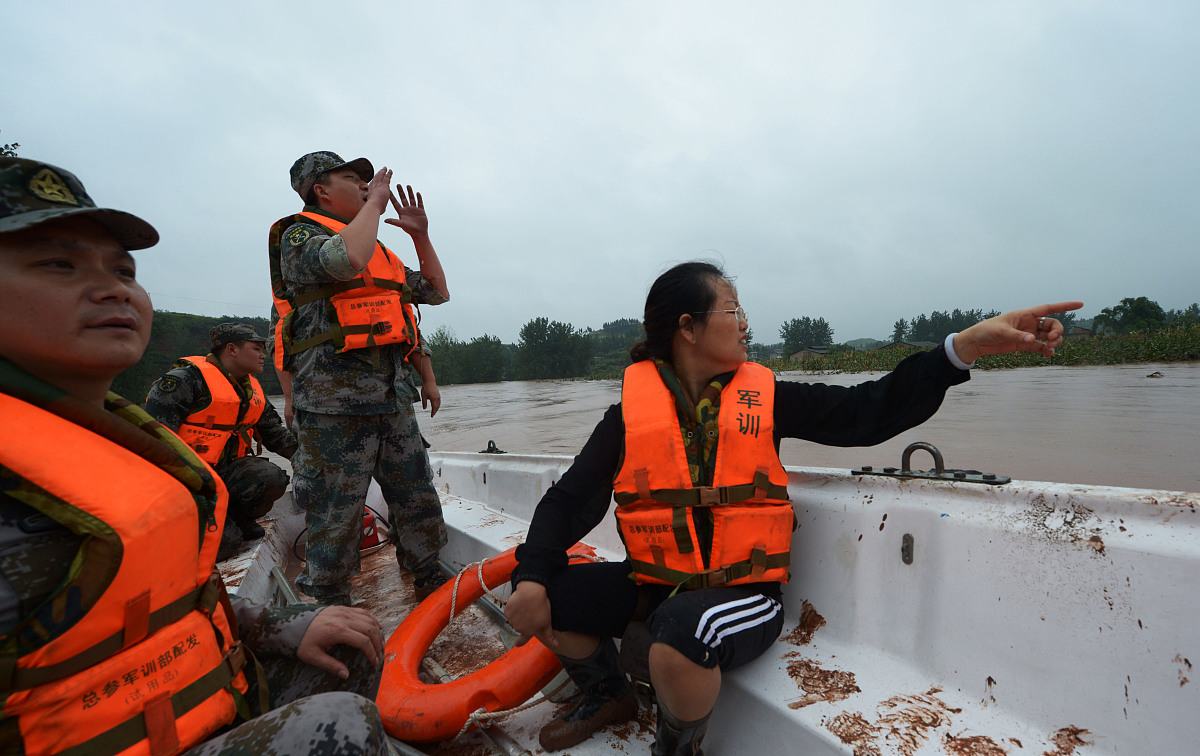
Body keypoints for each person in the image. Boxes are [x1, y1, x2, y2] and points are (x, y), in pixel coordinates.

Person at [504, 261, 1081, 755]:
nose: (746, 323)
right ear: (689, 328)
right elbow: (568, 500)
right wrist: (531, 576)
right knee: (545, 599)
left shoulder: (768, 398)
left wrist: (964, 349)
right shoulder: (628, 418)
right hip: (656, 581)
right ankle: (610, 694)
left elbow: (868, 411)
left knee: (680, 635)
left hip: (743, 594)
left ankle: (677, 746)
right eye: (733, 310)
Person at [0, 157, 388, 755]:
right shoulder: (178, 387)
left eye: (124, 269)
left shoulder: (111, 434)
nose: (115, 288)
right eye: (58, 264)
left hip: (192, 688)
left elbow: (175, 598)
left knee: (346, 649)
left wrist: (283, 622)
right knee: (343, 726)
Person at [268, 151, 450, 606]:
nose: (368, 187)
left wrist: (421, 237)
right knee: (336, 509)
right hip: (333, 405)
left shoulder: (381, 252)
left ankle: (428, 572)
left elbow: (437, 292)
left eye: (369, 182)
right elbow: (344, 258)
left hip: (391, 397)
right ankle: (330, 602)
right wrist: (375, 206)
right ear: (320, 191)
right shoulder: (300, 235)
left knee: (415, 491)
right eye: (354, 178)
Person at [144, 322, 297, 553]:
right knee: (224, 545)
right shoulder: (185, 381)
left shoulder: (251, 390)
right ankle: (202, 523)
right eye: (256, 349)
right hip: (185, 482)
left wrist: (311, 461)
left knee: (270, 478)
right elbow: (153, 441)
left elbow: (275, 436)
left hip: (224, 474)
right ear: (232, 350)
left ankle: (235, 518)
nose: (263, 355)